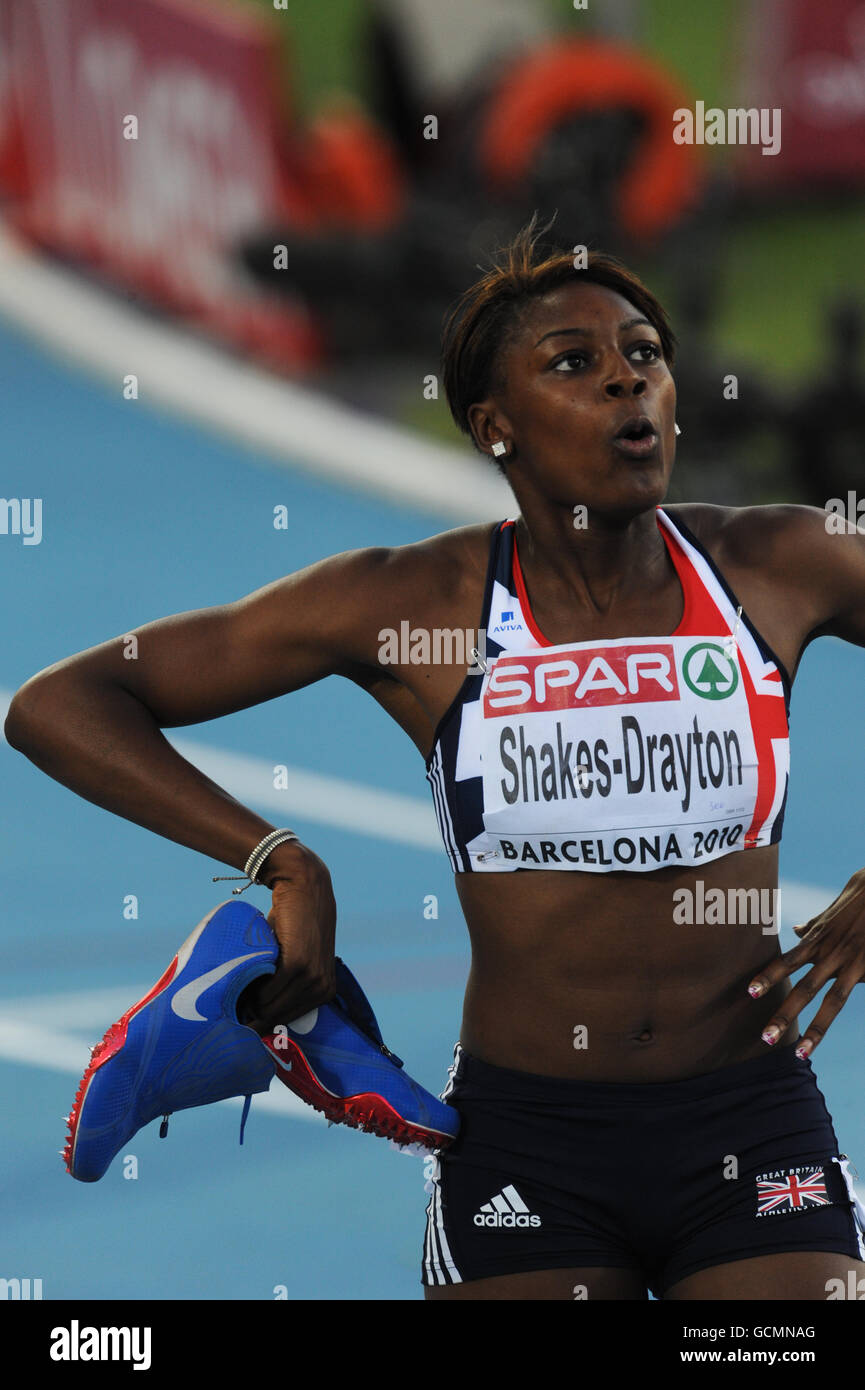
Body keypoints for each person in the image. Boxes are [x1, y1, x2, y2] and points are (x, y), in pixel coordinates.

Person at [6, 221, 865, 1301]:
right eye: (575, 363)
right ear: (495, 427)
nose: (625, 384)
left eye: (644, 355)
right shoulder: (415, 603)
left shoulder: (777, 565)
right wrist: (279, 857)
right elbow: (61, 703)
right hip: (528, 1146)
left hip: (749, 1119)